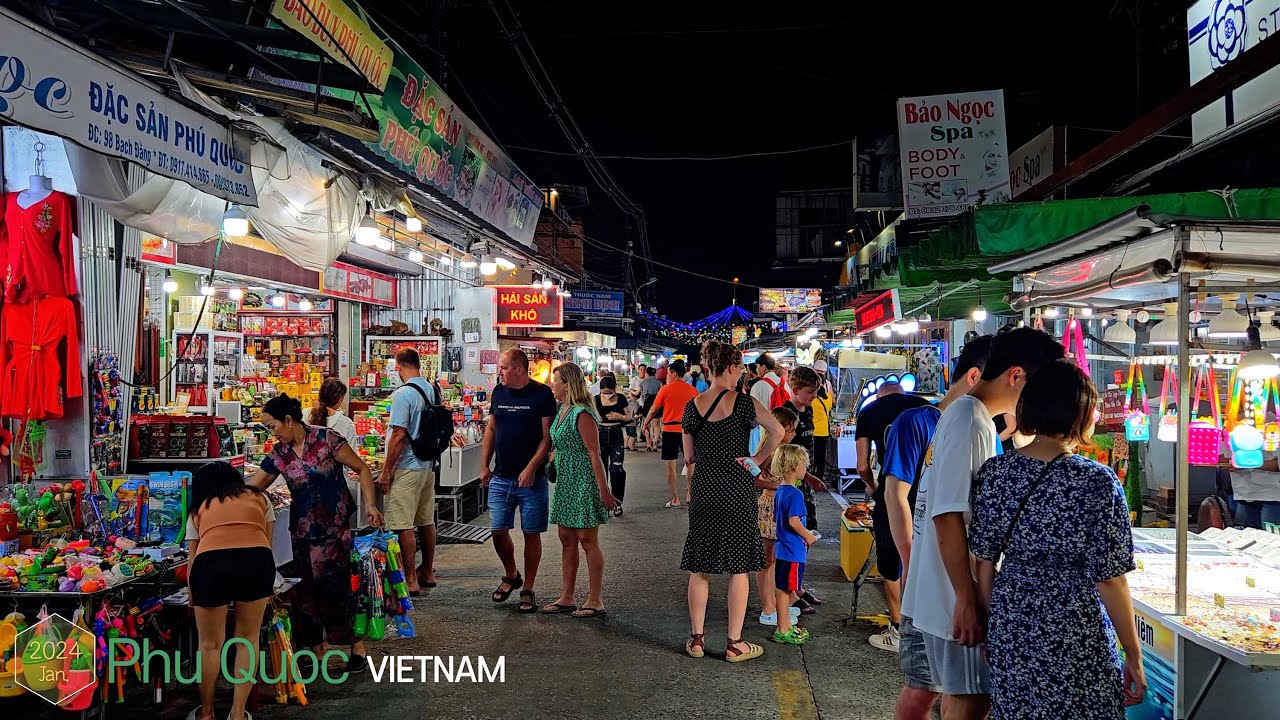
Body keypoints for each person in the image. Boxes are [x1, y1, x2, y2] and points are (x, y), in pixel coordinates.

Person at [900, 327, 1065, 719]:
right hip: (950, 594)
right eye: (1039, 386)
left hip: (940, 590)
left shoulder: (968, 416)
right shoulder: (970, 422)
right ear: (1016, 375)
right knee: (970, 698)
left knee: (958, 696)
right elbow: (948, 516)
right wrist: (966, 596)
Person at [970, 360, 1145, 718]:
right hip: (1076, 630)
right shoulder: (1097, 481)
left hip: (1013, 624)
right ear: (1080, 415)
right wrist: (1134, 654)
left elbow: (983, 562)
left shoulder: (996, 473)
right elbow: (1111, 579)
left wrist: (995, 624)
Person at [882, 336, 993, 720]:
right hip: (926, 572)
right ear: (976, 376)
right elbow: (895, 494)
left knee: (947, 686)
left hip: (939, 576)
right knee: (925, 685)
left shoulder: (973, 426)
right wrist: (910, 559)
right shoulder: (920, 421)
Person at [248, 394, 382, 673]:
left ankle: (355, 645)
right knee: (304, 592)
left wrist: (371, 506)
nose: (270, 433)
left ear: (288, 420)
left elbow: (362, 468)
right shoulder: (279, 454)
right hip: (301, 532)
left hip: (335, 530)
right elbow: (254, 487)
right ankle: (313, 648)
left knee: (337, 588)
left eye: (272, 426)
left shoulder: (327, 440)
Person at [680, 340, 785, 663]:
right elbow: (778, 431)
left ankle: (697, 639)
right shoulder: (744, 404)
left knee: (701, 566)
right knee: (738, 567)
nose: (742, 374)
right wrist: (756, 457)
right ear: (729, 368)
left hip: (705, 486)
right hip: (737, 487)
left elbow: (689, 456)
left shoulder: (692, 405)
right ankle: (734, 643)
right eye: (740, 368)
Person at [187, 461, 274, 720]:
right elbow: (266, 543)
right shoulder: (261, 499)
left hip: (211, 565)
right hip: (257, 562)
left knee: (210, 644)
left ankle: (206, 713)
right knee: (247, 640)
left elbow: (193, 558)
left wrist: (194, 594)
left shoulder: (199, 509)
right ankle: (237, 714)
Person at [857, 381, 930, 651]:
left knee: (892, 557)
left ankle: (899, 628)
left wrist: (874, 487)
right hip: (926, 492)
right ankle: (926, 625)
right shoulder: (926, 408)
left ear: (878, 394)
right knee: (925, 554)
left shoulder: (869, 411)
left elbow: (862, 464)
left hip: (892, 492)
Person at [482, 349, 556, 613]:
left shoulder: (542, 394)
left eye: (503, 367)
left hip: (531, 480)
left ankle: (528, 588)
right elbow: (492, 428)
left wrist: (531, 468)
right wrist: (484, 465)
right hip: (501, 475)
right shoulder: (499, 393)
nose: (499, 372)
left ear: (519, 369)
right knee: (498, 530)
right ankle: (512, 574)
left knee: (531, 533)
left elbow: (547, 437)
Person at [544, 363, 618, 617]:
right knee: (567, 539)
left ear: (567, 384)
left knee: (588, 540)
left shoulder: (582, 413)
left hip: (583, 481)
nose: (552, 384)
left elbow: (594, 453)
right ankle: (567, 595)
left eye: (555, 380)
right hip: (566, 480)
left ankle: (595, 598)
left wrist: (603, 490)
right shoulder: (562, 410)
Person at [374, 348, 438, 595]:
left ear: (399, 367)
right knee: (425, 520)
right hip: (427, 465)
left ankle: (410, 579)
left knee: (402, 524)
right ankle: (428, 572)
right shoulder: (430, 389)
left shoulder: (404, 394)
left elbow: (399, 434)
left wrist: (386, 471)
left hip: (407, 466)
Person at [756, 407, 803, 628]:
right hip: (769, 507)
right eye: (790, 430)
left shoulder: (782, 450)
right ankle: (768, 607)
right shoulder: (769, 449)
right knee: (767, 560)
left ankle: (776, 603)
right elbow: (754, 479)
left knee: (776, 559)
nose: (793, 434)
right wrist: (776, 484)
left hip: (779, 506)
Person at [770, 444, 819, 646]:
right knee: (786, 590)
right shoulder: (796, 494)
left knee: (782, 589)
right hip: (793, 551)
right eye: (804, 465)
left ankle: (784, 625)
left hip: (782, 548)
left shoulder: (780, 491)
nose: (806, 469)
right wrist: (808, 536)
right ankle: (783, 628)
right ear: (793, 466)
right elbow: (794, 522)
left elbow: (778, 519)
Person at [309, 377, 364, 531]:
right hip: (336, 489)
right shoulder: (345, 423)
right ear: (340, 398)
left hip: (306, 488)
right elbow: (354, 461)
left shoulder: (303, 415)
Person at [645, 359, 700, 508]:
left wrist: (646, 422)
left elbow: (654, 409)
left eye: (668, 373)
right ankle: (690, 494)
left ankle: (675, 499)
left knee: (671, 466)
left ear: (674, 373)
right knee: (690, 464)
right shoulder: (693, 391)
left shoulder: (665, 389)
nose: (667, 376)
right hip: (688, 431)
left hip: (670, 430)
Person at [595, 375, 632, 515]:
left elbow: (629, 416)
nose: (607, 394)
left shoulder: (621, 398)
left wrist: (620, 416)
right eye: (604, 392)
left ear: (614, 389)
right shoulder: (596, 400)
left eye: (609, 391)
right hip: (600, 434)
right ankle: (604, 502)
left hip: (616, 434)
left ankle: (617, 502)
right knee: (601, 471)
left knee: (617, 469)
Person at [811, 359, 837, 483]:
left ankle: (812, 476)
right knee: (821, 456)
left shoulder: (812, 400)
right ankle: (819, 477)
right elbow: (832, 402)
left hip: (814, 430)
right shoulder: (827, 399)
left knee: (813, 456)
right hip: (824, 431)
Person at [638, 365, 663, 451]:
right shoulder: (659, 382)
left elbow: (637, 393)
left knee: (646, 424)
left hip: (647, 404)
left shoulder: (643, 382)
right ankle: (655, 442)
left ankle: (648, 444)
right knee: (656, 425)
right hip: (657, 403)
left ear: (646, 373)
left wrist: (631, 392)